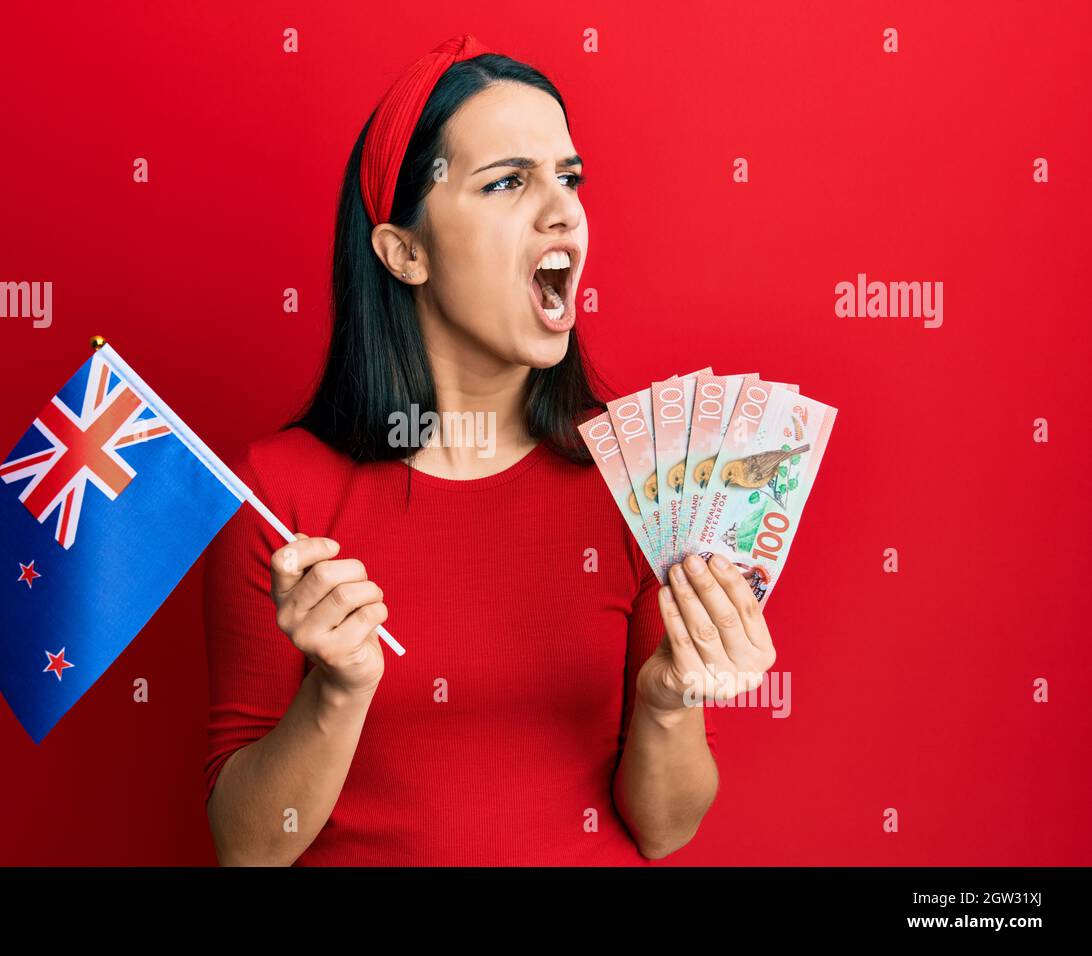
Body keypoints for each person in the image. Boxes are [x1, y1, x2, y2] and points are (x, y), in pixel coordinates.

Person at [202, 34, 775, 866]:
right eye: (508, 181)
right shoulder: (278, 498)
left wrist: (664, 703)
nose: (563, 210)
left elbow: (665, 828)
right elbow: (248, 851)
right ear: (406, 252)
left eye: (568, 177)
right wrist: (337, 692)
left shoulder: (645, 478)